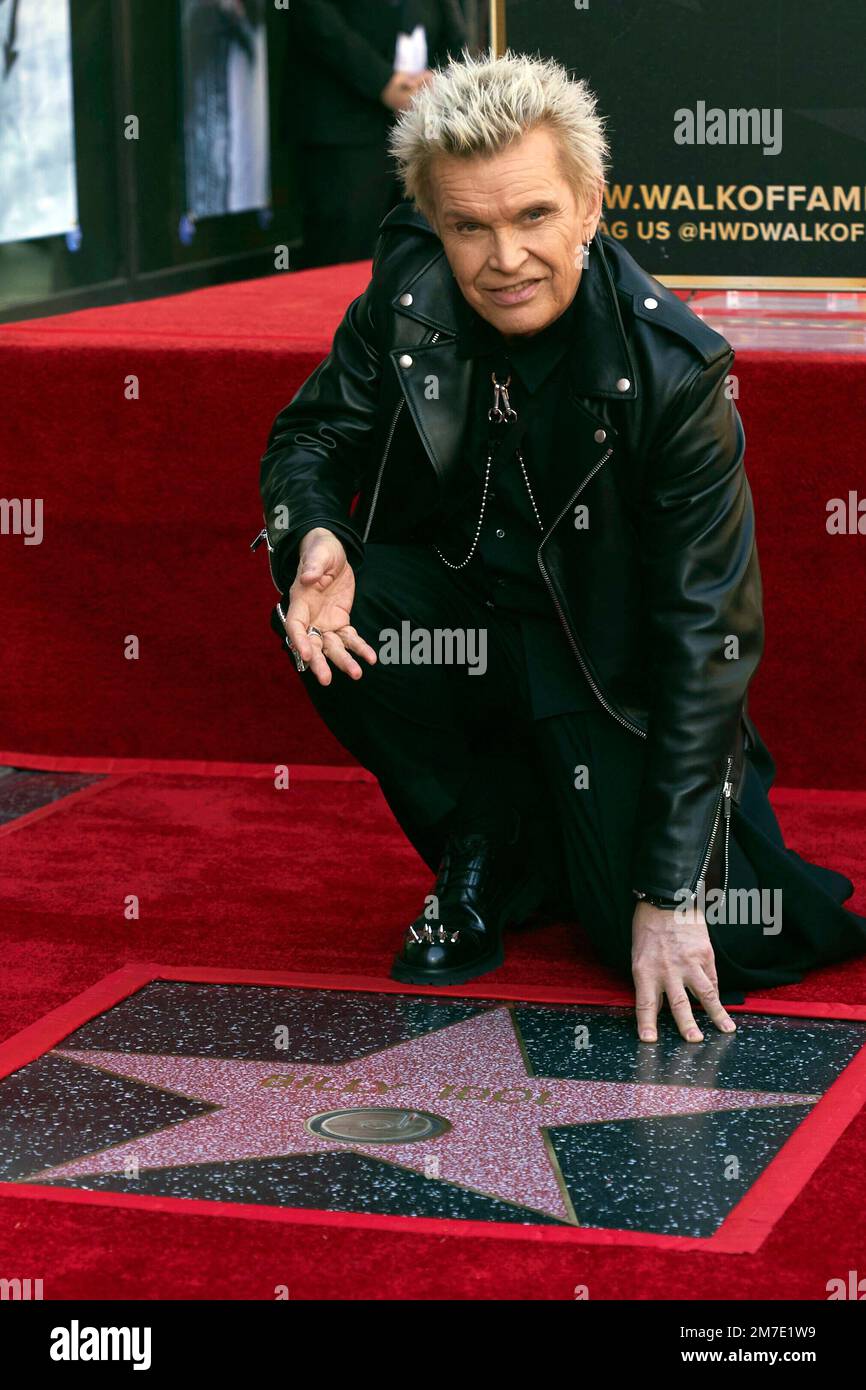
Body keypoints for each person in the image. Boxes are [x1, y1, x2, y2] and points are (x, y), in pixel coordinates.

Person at [257, 51, 866, 1043]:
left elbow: (705, 635)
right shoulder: (407, 292)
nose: (504, 258)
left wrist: (668, 892)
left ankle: (539, 829)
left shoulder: (671, 372)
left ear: (589, 206)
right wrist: (313, 532)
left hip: (601, 673)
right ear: (433, 222)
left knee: (694, 932)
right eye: (469, 226)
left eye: (533, 216)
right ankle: (484, 836)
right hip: (469, 622)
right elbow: (310, 436)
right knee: (338, 603)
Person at [286, 0, 467, 266]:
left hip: (423, 122)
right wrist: (383, 82)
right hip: (343, 126)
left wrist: (441, 76)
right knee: (343, 252)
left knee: (414, 249)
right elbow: (314, 17)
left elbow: (452, 24)